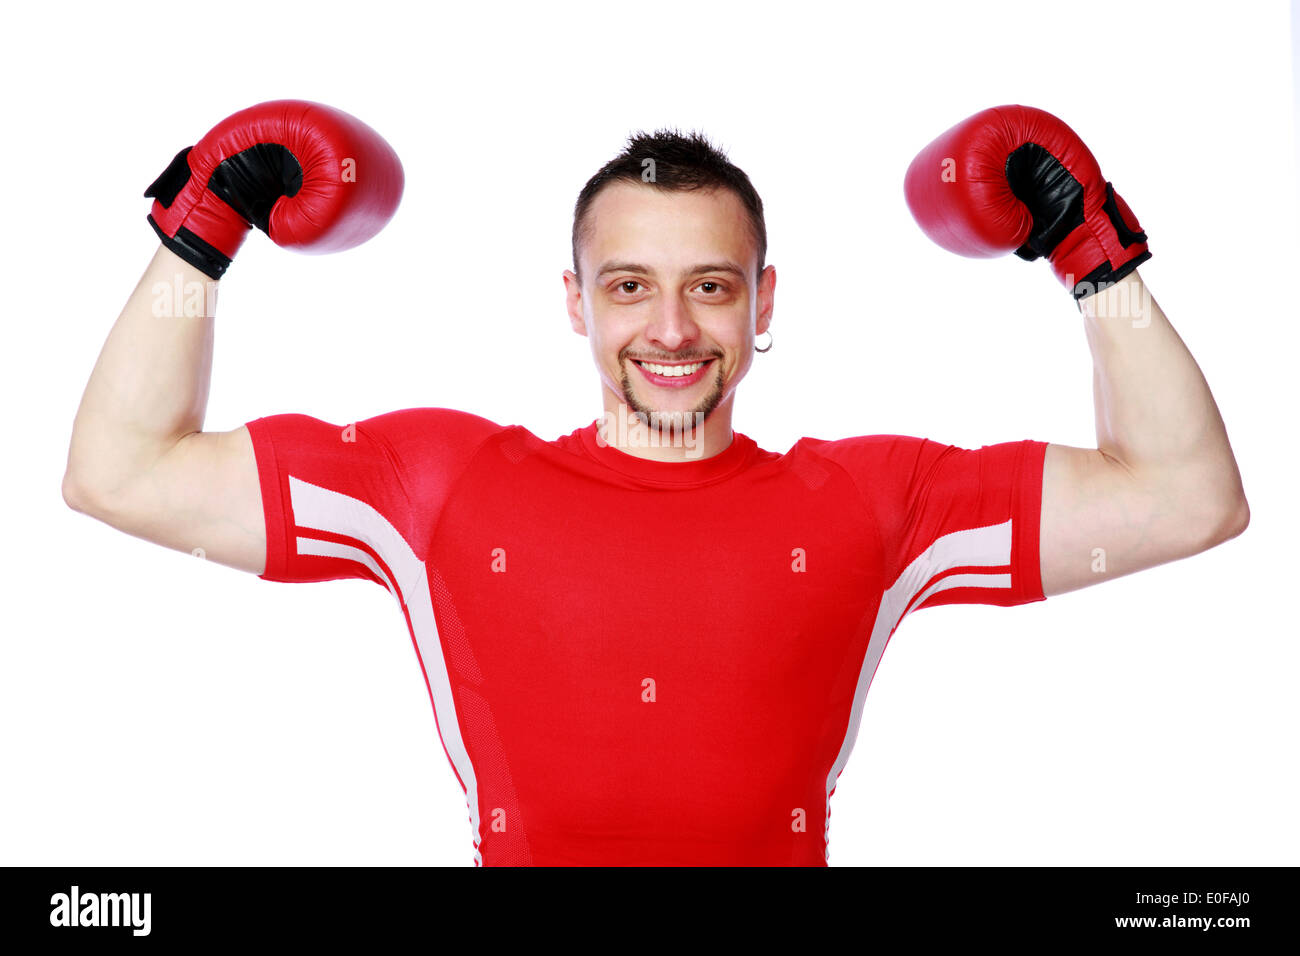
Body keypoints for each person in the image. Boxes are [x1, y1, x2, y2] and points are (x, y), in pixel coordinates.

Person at [62, 100, 1249, 866]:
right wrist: (198, 228)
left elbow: (1184, 498)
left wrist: (1093, 252)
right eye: (628, 285)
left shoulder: (870, 502)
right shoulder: (438, 481)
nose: (670, 326)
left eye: (711, 286)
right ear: (575, 303)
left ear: (764, 301)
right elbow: (122, 472)